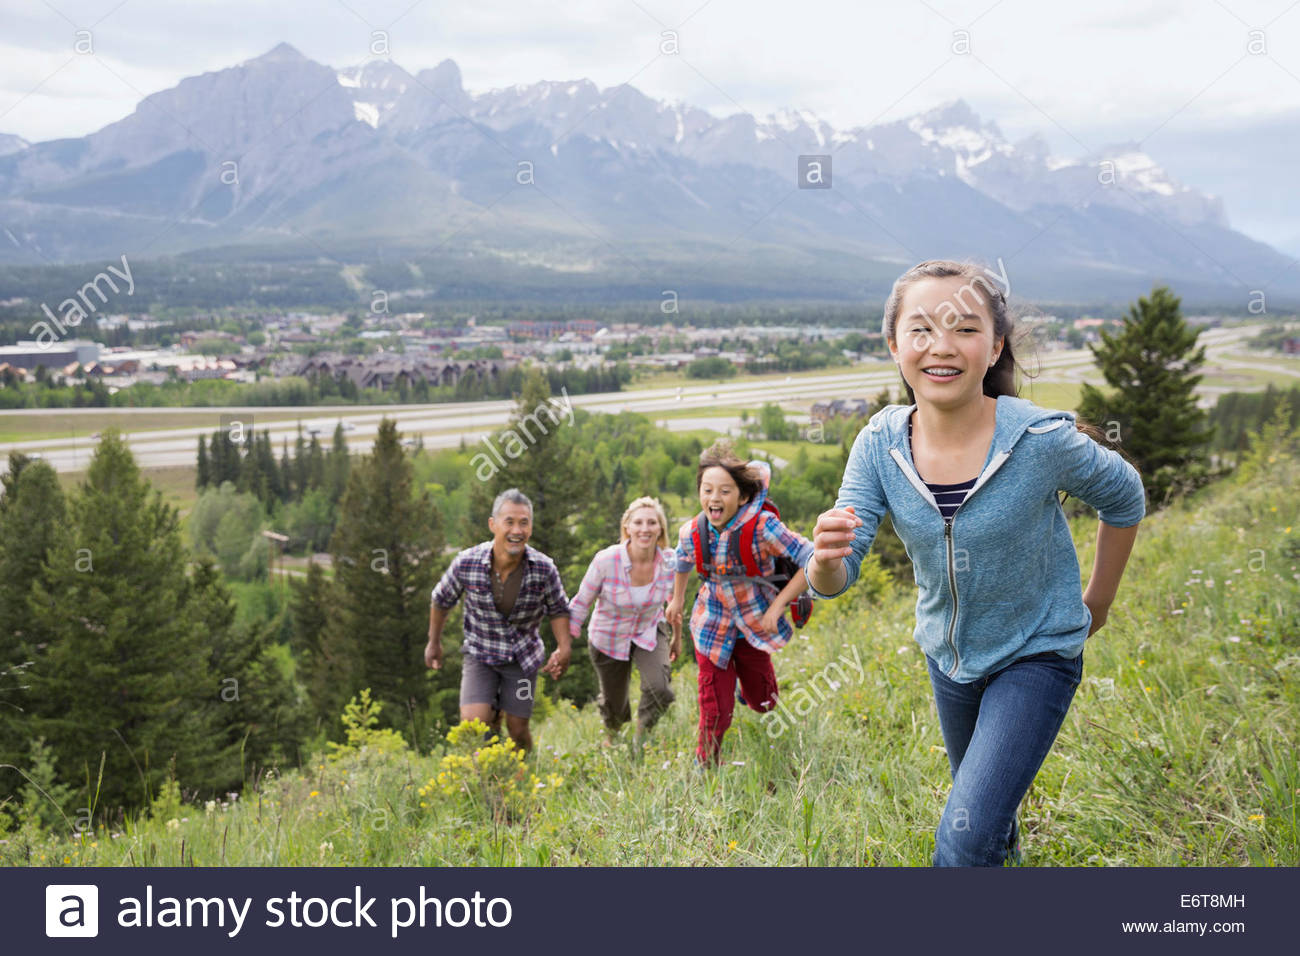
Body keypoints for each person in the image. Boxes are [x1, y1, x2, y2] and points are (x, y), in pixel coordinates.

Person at [805, 259, 1145, 866]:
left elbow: (1125, 497)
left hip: (1037, 655)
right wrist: (825, 561)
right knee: (988, 823)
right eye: (921, 329)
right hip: (950, 661)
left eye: (965, 328)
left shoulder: (1040, 440)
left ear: (995, 348)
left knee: (961, 841)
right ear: (894, 345)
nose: (942, 347)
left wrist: (1097, 602)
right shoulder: (879, 444)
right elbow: (837, 575)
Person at [667, 441, 814, 765]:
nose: (714, 499)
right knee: (713, 706)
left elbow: (811, 560)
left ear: (742, 496)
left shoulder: (763, 528)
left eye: (724, 491)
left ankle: (747, 693)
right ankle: (705, 764)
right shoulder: (693, 531)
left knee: (764, 702)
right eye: (707, 490)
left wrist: (777, 609)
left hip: (754, 624)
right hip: (711, 625)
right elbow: (680, 561)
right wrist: (677, 601)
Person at [425, 488, 571, 752]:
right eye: (510, 522)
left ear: (531, 527)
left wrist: (564, 647)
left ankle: (525, 774)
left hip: (523, 661)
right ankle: (487, 782)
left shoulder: (543, 568)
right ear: (493, 524)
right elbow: (441, 599)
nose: (517, 530)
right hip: (480, 654)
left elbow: (558, 609)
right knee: (474, 725)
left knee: (517, 729)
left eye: (524, 522)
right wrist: (433, 643)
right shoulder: (466, 563)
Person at [568, 496, 681, 747]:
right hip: (608, 636)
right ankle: (614, 737)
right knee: (614, 702)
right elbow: (581, 602)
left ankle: (641, 737)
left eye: (652, 522)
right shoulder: (606, 560)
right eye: (638, 522)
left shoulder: (670, 561)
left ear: (660, 528)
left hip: (650, 629)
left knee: (660, 689)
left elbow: (675, 603)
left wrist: (676, 637)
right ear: (627, 527)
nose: (645, 528)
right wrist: (564, 645)